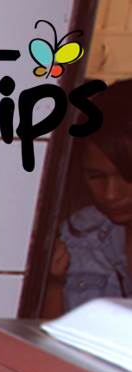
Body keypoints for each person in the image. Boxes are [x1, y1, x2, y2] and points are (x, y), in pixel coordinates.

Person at [45, 78, 131, 318]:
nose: (111, 194)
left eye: (127, 177)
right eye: (96, 176)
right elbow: (50, 342)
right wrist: (54, 285)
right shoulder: (80, 236)